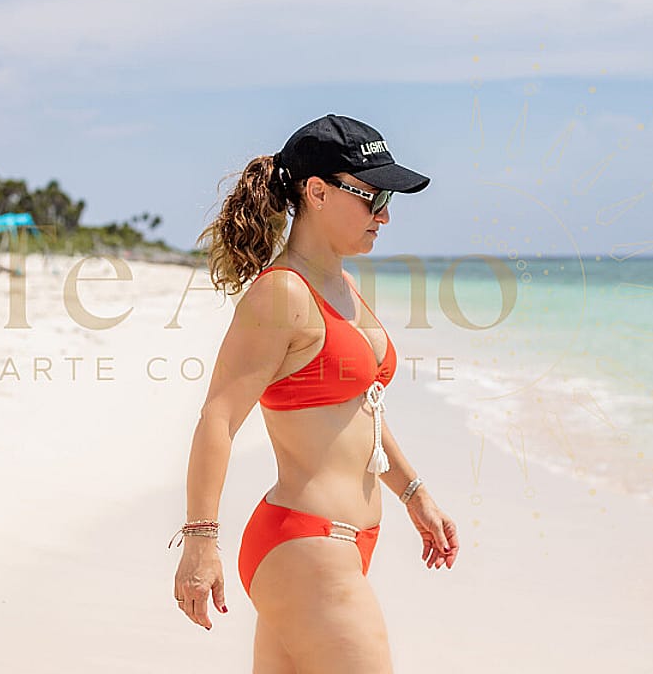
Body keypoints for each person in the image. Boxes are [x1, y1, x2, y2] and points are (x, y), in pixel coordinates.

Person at [170, 114, 459, 671]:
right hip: (306, 546)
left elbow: (360, 409)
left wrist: (414, 493)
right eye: (373, 198)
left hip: (339, 547)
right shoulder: (282, 294)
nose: (385, 215)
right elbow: (218, 418)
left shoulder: (340, 283)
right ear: (318, 192)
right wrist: (200, 542)